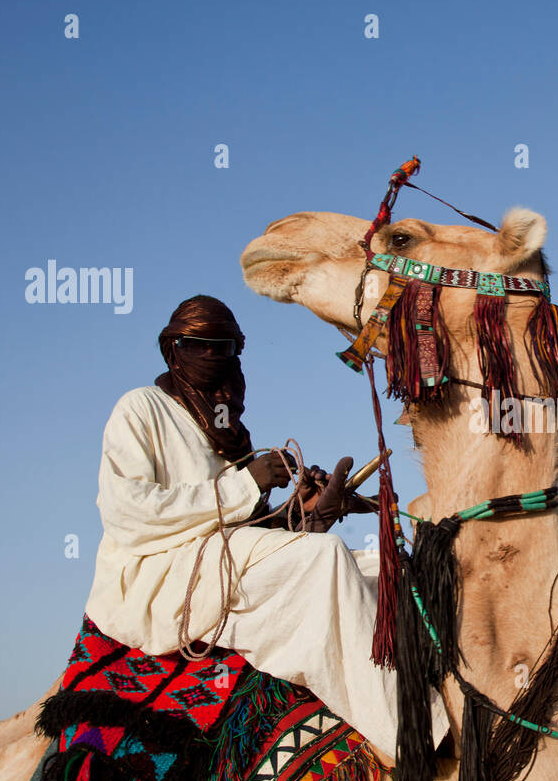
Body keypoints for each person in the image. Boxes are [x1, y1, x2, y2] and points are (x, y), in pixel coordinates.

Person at [84, 294, 447, 756]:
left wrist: (311, 509)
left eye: (227, 348)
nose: (216, 357)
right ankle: (413, 737)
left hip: (223, 559)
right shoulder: (141, 408)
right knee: (327, 558)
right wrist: (246, 483)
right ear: (173, 349)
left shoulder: (229, 431)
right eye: (202, 345)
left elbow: (254, 534)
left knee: (378, 566)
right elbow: (126, 512)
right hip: (158, 570)